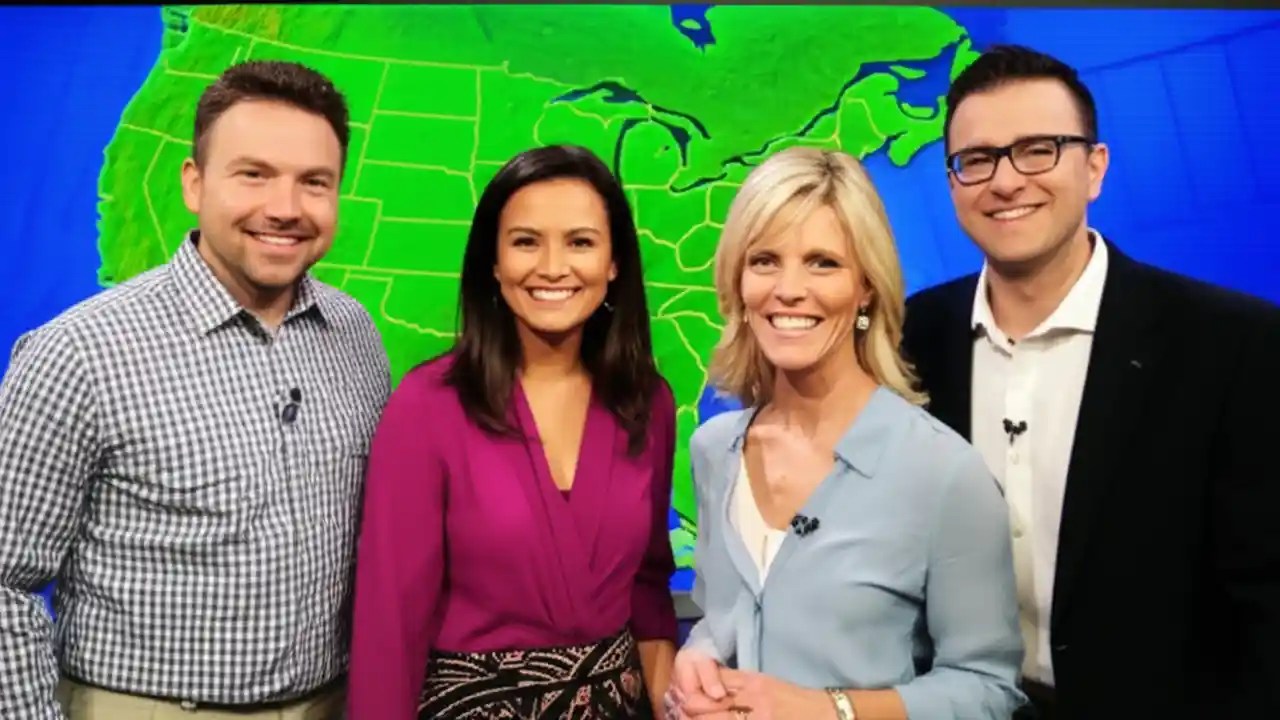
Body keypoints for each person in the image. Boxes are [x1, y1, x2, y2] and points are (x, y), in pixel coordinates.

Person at [0, 60, 391, 719]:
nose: (285, 208)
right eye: (254, 174)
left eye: (314, 183)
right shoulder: (80, 352)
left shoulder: (354, 333)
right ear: (194, 183)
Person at [902, 44, 1280, 719]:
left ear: (1095, 167)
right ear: (953, 180)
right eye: (977, 159)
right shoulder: (911, 338)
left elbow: (1264, 601)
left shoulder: (1233, 343)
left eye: (1039, 149)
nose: (1006, 180)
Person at [667, 147, 1026, 720]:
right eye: (764, 260)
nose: (788, 289)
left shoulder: (941, 472)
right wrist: (699, 657)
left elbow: (987, 688)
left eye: (822, 263)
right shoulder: (714, 451)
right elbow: (722, 618)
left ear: (866, 286)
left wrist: (828, 710)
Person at [346, 144, 679, 719]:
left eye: (580, 242)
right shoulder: (428, 407)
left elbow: (649, 592)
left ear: (614, 262)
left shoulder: (648, 404)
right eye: (526, 242)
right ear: (493, 264)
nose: (553, 267)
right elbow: (390, 624)